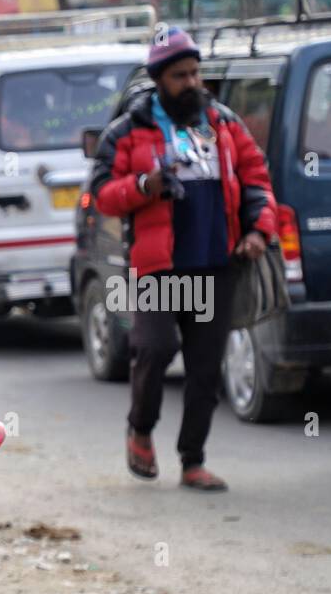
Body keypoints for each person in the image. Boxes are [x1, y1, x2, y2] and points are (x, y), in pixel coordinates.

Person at [90, 27, 277, 492]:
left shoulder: (224, 123)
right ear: (159, 79)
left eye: (196, 73)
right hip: (159, 267)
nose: (192, 82)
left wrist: (258, 230)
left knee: (205, 366)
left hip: (216, 264)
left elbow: (257, 179)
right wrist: (142, 187)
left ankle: (193, 460)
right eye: (180, 75)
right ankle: (140, 429)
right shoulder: (129, 131)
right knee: (153, 348)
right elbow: (99, 196)